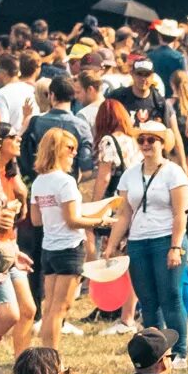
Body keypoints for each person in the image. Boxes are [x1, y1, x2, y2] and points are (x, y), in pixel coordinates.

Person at [24, 126, 119, 352]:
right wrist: (101, 222)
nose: (74, 153)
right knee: (60, 308)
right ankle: (52, 357)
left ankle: (44, 353)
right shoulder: (65, 182)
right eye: (70, 148)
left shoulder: (39, 182)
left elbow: (37, 220)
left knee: (49, 309)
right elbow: (73, 220)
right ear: (57, 150)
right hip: (69, 247)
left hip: (49, 247)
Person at [119, 122, 188, 362]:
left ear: (162, 143)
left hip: (165, 239)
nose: (146, 144)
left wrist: (176, 246)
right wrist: (111, 246)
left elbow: (181, 213)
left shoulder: (174, 172)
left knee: (170, 297)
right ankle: (154, 354)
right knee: (147, 301)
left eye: (152, 140)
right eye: (142, 140)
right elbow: (124, 213)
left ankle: (179, 352)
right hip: (138, 242)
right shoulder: (130, 173)